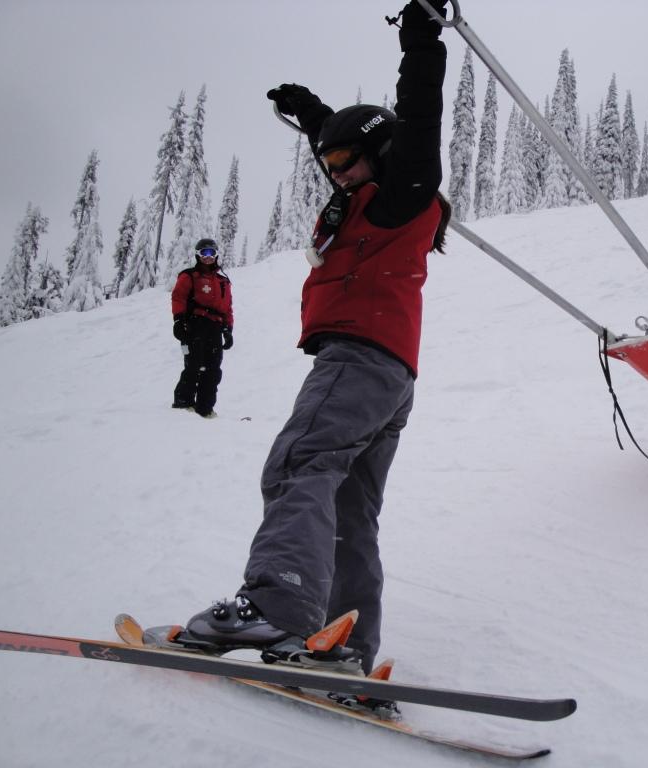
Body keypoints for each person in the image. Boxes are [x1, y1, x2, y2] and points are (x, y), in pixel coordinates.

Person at [181, 0, 451, 678]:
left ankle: (277, 603)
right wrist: (314, 119)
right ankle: (344, 648)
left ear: (382, 157)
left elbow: (416, 117)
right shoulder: (362, 198)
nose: (335, 172)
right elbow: (351, 150)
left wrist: (421, 37)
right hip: (388, 378)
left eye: (346, 161)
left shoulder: (402, 195)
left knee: (298, 465)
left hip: (358, 361)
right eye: (327, 162)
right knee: (348, 511)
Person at [171, 237, 234, 418]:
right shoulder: (189, 275)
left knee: (213, 369)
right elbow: (178, 297)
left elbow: (228, 307)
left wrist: (228, 330)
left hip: (215, 327)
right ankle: (183, 403)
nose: (208, 257)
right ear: (198, 255)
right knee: (194, 365)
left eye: (212, 253)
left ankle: (205, 408)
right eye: (204, 253)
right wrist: (178, 320)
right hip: (195, 324)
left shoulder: (223, 281)